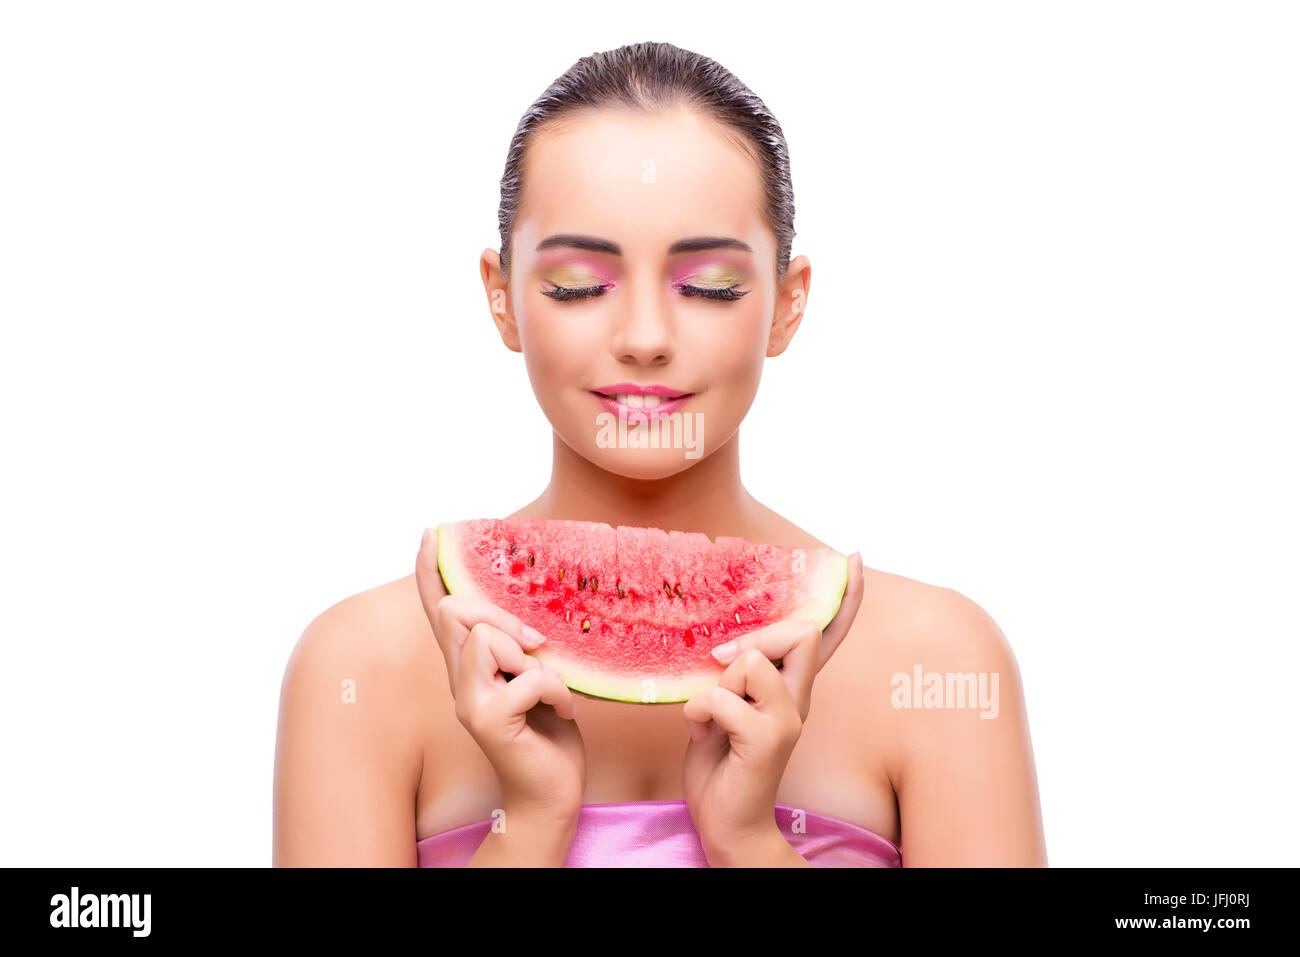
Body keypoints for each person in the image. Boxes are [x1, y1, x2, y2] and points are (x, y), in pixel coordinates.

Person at [273, 41, 1048, 867]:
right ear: (501, 299)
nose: (643, 339)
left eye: (710, 286)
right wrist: (530, 819)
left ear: (788, 306)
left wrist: (749, 839)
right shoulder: (354, 670)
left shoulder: (944, 666)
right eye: (577, 284)